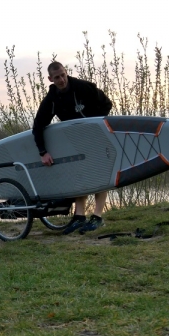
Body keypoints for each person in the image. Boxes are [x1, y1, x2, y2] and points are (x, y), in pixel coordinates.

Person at [32, 61, 113, 234]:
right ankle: (80, 216)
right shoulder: (52, 99)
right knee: (79, 174)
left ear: (66, 72)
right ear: (50, 79)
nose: (61, 80)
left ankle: (97, 217)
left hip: (97, 136)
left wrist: (93, 123)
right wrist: (43, 152)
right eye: (57, 77)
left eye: (63, 75)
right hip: (77, 141)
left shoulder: (84, 88)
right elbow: (38, 125)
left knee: (100, 174)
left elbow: (107, 103)